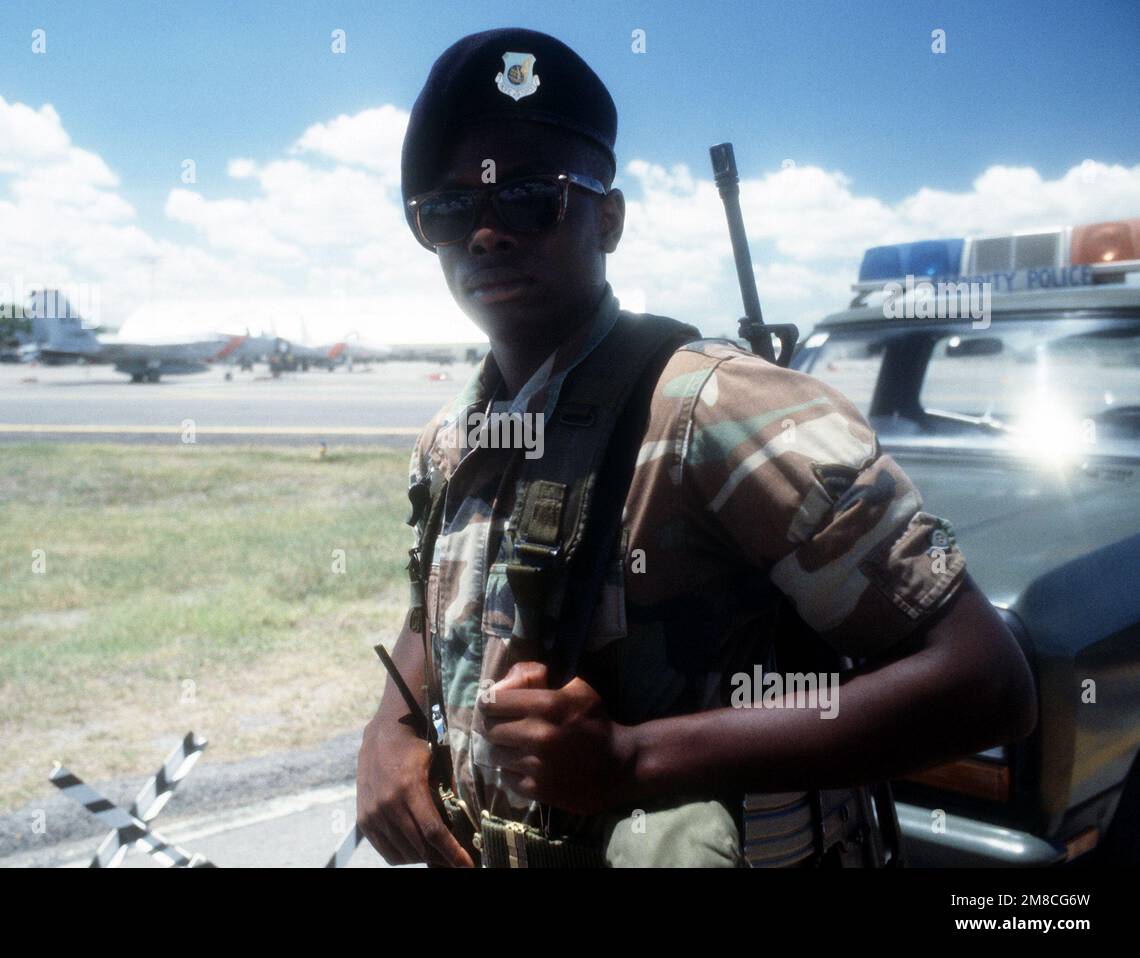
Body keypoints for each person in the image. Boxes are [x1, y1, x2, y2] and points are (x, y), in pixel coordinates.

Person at [356, 27, 1037, 868]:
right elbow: (441, 606)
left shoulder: (716, 409)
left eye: (531, 196)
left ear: (607, 218)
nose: (486, 234)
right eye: (451, 210)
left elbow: (986, 683)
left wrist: (634, 762)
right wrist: (388, 728)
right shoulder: (451, 438)